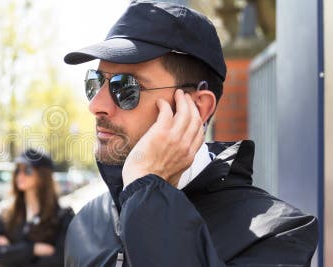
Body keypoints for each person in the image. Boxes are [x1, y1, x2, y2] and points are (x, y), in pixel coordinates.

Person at [61, 1, 319, 266]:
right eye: (95, 82)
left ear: (198, 107)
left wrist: (147, 190)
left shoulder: (276, 235)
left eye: (126, 87)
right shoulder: (85, 225)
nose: (96, 105)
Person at [0, 149, 75, 267]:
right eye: (17, 170)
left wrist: (11, 251)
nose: (20, 175)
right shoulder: (6, 212)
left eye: (27, 170)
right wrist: (33, 249)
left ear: (43, 175)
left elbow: (61, 259)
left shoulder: (63, 216)